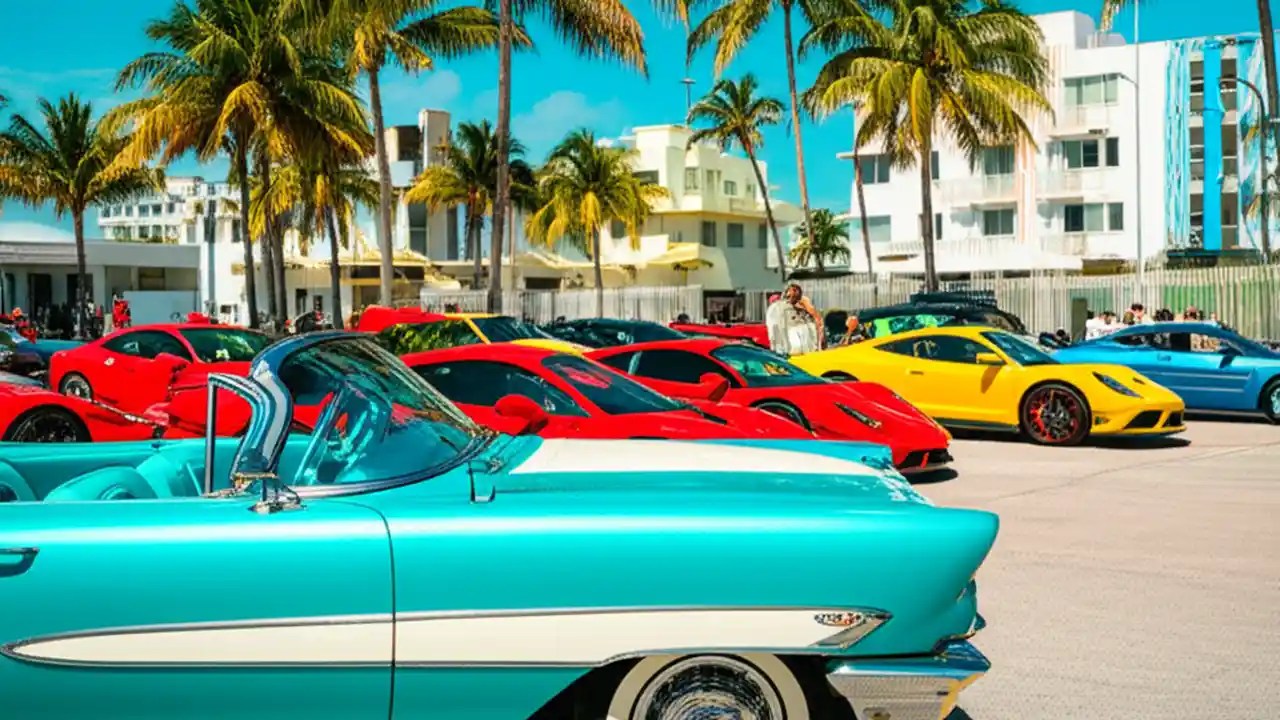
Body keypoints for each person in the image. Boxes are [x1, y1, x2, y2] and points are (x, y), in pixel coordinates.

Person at [766, 283, 824, 356]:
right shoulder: (779, 308)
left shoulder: (803, 302)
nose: (791, 296)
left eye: (795, 292)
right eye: (789, 294)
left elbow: (817, 318)